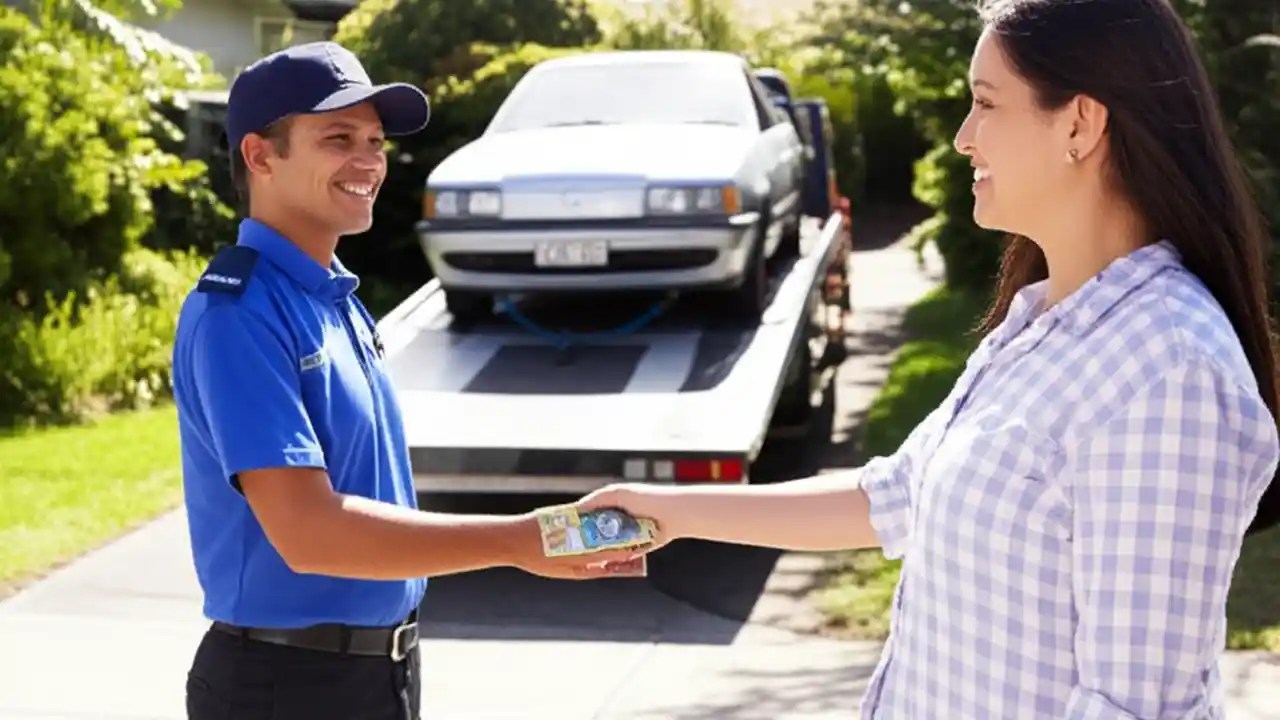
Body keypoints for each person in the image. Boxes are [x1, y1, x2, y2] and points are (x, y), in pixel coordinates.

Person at [576, 0, 1280, 717]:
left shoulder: (1169, 375)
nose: (963, 138)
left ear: (1079, 123)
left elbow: (1134, 707)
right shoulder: (1042, 326)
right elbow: (898, 495)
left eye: (984, 104)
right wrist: (667, 511)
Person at [171, 42, 636, 720]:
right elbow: (310, 534)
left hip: (378, 676)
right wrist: (516, 539)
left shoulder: (334, 299)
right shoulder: (239, 311)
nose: (368, 161)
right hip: (286, 688)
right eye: (338, 139)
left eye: (375, 141)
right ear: (260, 155)